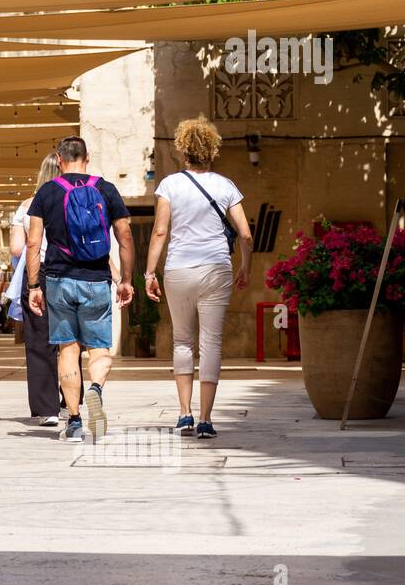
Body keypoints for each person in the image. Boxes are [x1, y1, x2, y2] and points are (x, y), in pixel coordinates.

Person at [144, 116, 253, 439]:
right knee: (211, 342)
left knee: (182, 340)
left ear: (182, 150)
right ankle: (206, 418)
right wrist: (246, 267)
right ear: (212, 150)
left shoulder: (170, 186)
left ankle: (184, 414)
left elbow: (160, 231)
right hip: (216, 268)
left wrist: (150, 271)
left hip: (178, 268)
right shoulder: (226, 186)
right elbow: (245, 235)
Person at [26, 137, 134, 443]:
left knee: (68, 350)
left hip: (59, 279)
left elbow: (34, 243)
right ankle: (96, 388)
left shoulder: (47, 192)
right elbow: (124, 235)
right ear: (87, 157)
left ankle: (73, 422)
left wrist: (35, 285)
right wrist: (126, 279)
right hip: (97, 279)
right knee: (99, 350)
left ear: (59, 160)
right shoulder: (106, 189)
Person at [10, 153, 63, 427]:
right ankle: (70, 398)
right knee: (67, 338)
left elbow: (17, 248)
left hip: (37, 273)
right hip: (67, 270)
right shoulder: (72, 198)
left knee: (39, 341)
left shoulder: (27, 205)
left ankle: (47, 408)